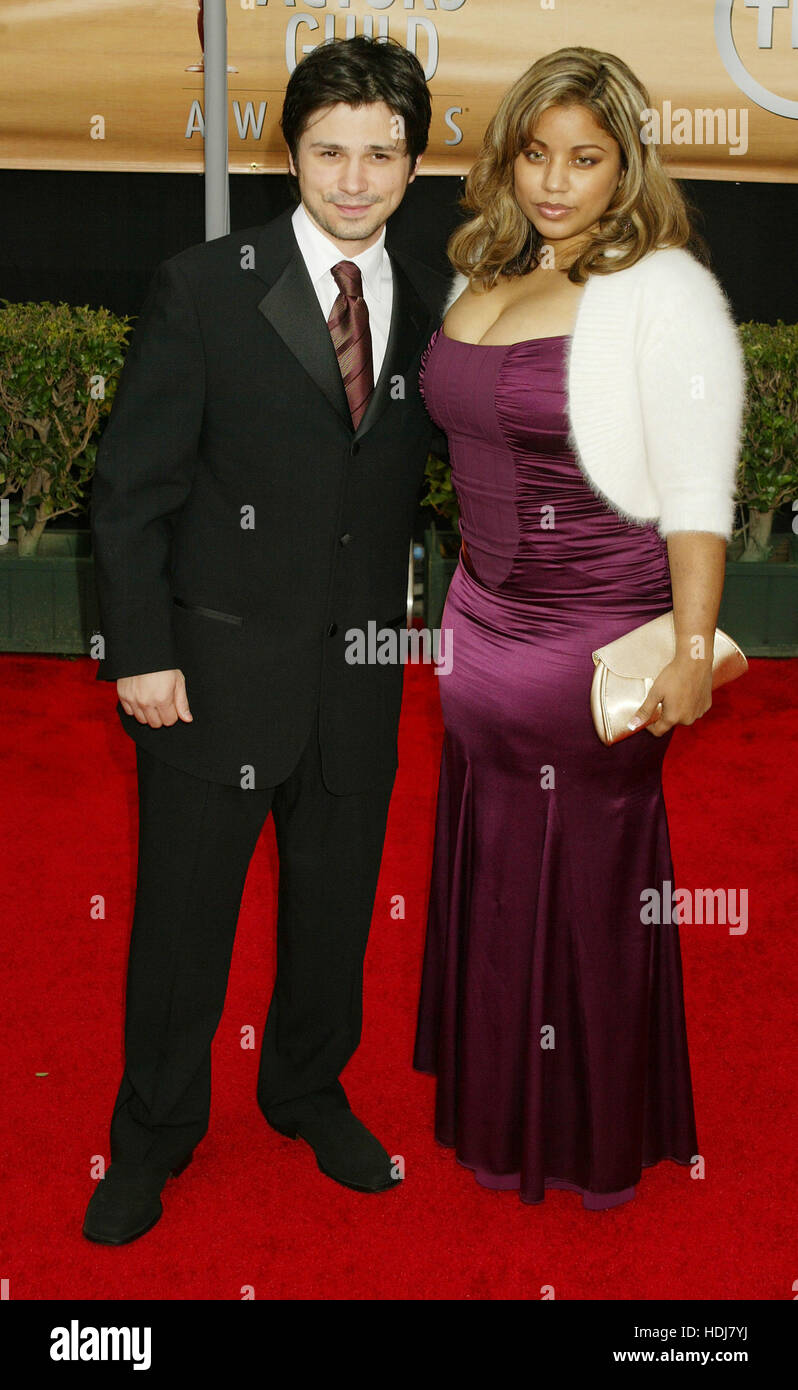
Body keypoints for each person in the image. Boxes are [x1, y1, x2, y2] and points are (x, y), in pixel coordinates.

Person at [85, 35, 449, 1245]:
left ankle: (304, 1088)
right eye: (329, 151)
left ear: (414, 163)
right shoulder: (204, 286)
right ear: (288, 153)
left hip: (358, 679)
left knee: (335, 914)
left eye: (380, 155)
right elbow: (129, 491)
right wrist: (140, 650)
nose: (354, 179)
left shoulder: (436, 302)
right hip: (209, 677)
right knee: (181, 927)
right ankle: (153, 1135)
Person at [412, 47, 745, 1209]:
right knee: (504, 879)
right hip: (478, 629)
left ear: (626, 169)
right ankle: (503, 1109)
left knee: (586, 887)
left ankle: (590, 1139)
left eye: (586, 159)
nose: (556, 181)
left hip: (590, 643)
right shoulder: (488, 269)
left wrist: (693, 650)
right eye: (536, 153)